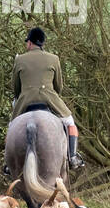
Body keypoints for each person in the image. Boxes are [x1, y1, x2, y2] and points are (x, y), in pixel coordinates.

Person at [11, 27, 84, 169]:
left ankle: (8, 164)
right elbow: (59, 87)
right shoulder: (54, 59)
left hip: (25, 101)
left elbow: (15, 88)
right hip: (48, 100)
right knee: (70, 123)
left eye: (27, 42)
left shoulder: (19, 59)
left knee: (11, 127)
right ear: (42, 43)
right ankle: (73, 157)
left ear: (30, 43)